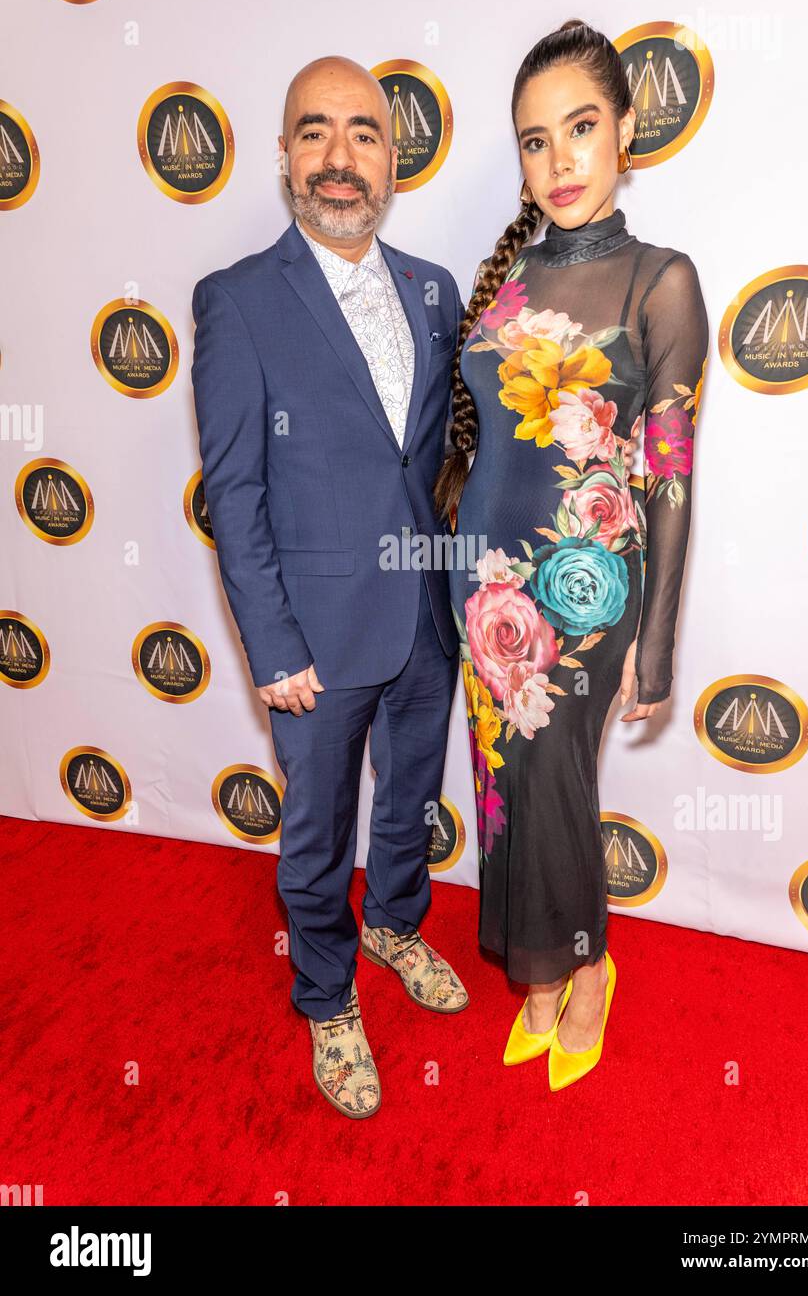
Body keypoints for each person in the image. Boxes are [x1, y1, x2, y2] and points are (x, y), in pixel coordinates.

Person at [190, 56, 470, 1121]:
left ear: (390, 159)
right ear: (283, 155)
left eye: (362, 132)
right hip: (311, 633)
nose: (339, 156)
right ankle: (324, 991)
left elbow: (443, 454)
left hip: (426, 610)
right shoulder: (237, 301)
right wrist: (271, 648)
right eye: (315, 131)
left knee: (408, 800)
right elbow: (234, 490)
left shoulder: (435, 288)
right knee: (318, 829)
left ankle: (395, 922)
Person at [438, 19, 709, 1093]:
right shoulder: (501, 279)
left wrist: (656, 642)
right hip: (481, 582)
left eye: (579, 129)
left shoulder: (661, 280)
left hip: (585, 581)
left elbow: (671, 472)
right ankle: (537, 973)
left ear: (626, 133)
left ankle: (586, 967)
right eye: (534, 140)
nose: (556, 161)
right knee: (500, 779)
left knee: (552, 775)